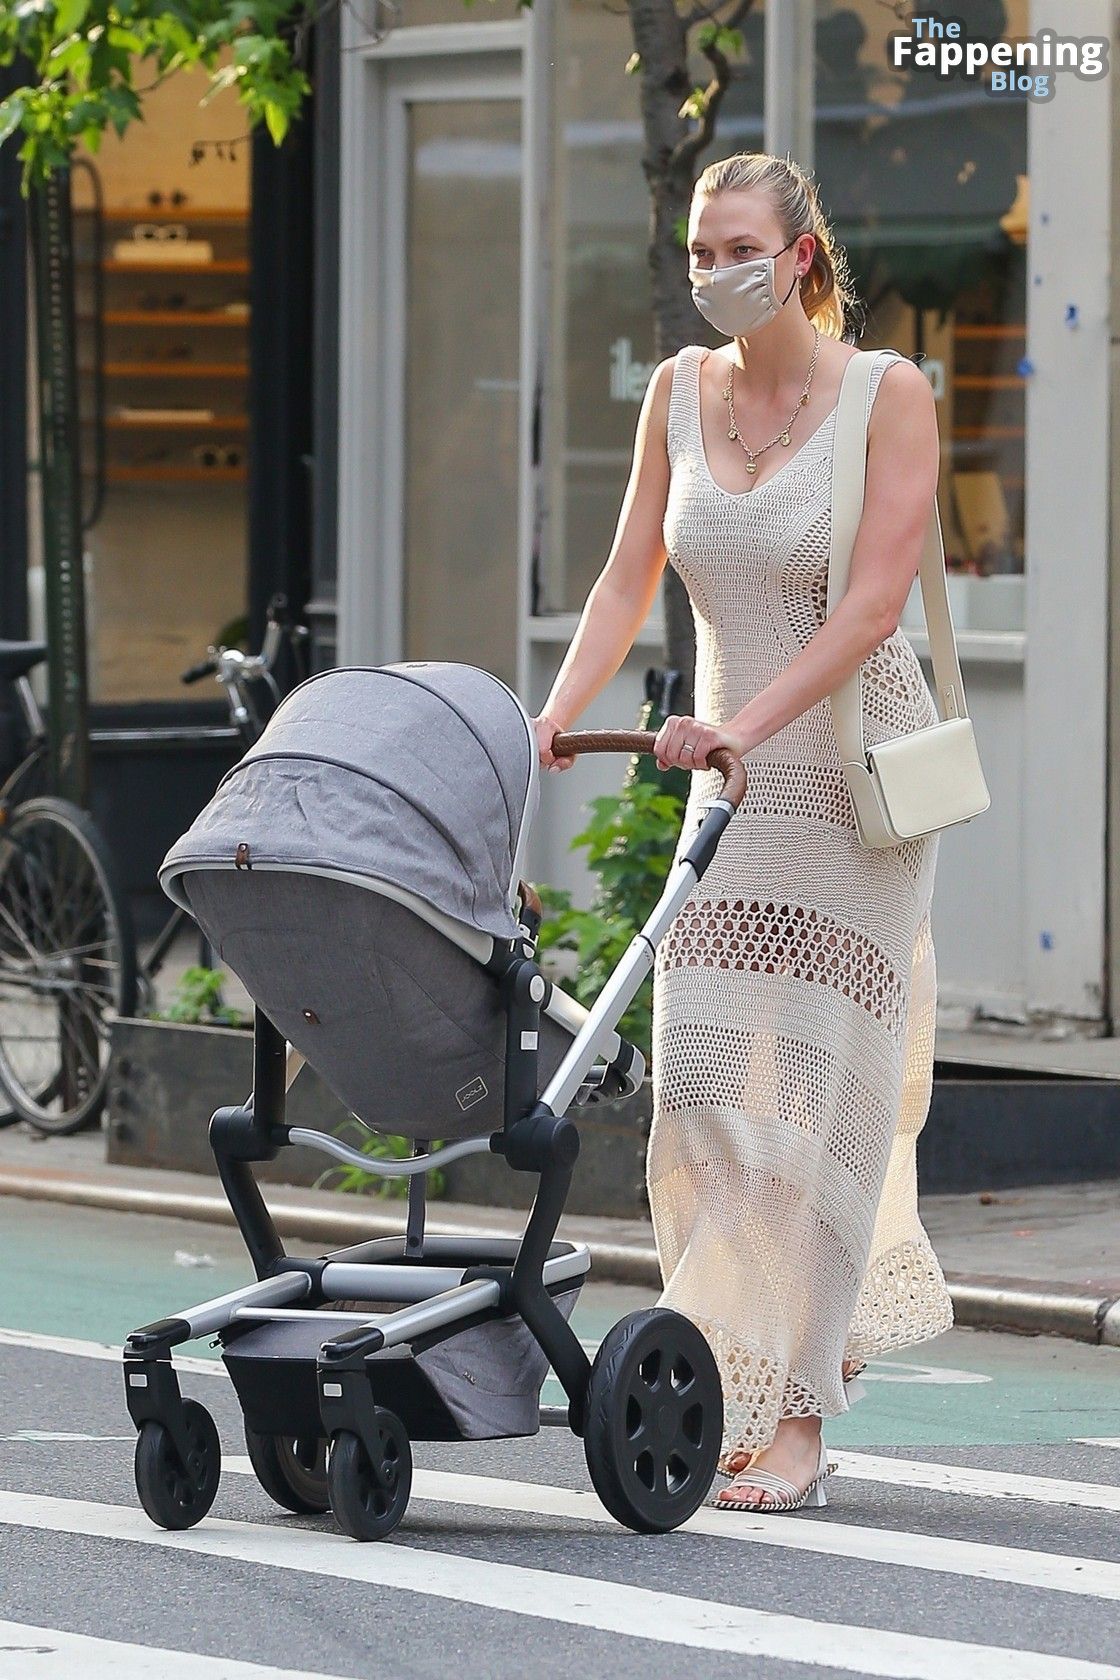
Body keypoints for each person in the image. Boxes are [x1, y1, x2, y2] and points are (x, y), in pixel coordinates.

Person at [533, 150, 954, 1513]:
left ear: (801, 257)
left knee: (818, 1097)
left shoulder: (887, 395)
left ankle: (800, 1414)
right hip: (731, 787)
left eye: (740, 248)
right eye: (700, 250)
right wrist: (554, 713)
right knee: (704, 1090)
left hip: (848, 787)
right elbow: (625, 577)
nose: (716, 271)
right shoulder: (677, 392)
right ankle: (727, 1372)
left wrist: (744, 728)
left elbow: (872, 608)